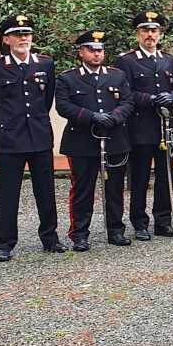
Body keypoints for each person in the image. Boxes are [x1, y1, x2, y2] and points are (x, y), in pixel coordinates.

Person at [0, 15, 64, 262]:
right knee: (8, 193)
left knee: (46, 191)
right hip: (10, 140)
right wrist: (6, 126)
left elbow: (46, 100)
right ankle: (4, 243)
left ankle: (50, 238)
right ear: (6, 39)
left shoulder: (45, 64)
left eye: (27, 34)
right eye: (17, 35)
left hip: (39, 137)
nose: (23, 39)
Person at [56, 30, 135, 250]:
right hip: (81, 140)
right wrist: (91, 117)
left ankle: (115, 230)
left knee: (115, 188)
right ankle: (79, 233)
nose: (97, 54)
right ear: (81, 52)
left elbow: (128, 102)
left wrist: (114, 117)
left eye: (100, 50)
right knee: (82, 189)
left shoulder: (117, 76)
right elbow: (63, 106)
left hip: (114, 138)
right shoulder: (68, 78)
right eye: (91, 50)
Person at [116, 11, 173, 240]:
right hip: (140, 127)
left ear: (160, 34)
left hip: (166, 126)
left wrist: (171, 96)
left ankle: (163, 221)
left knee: (165, 177)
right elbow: (125, 92)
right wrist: (150, 99)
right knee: (140, 177)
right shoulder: (127, 61)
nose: (150, 35)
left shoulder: (168, 60)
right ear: (138, 34)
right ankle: (139, 222)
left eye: (154, 30)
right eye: (145, 30)